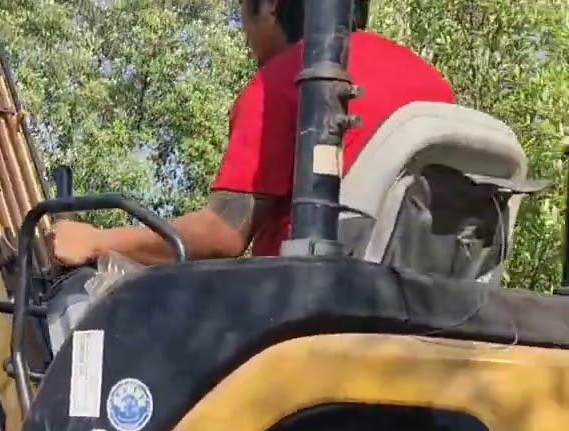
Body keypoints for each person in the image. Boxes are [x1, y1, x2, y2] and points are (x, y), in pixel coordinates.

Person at [47, 0, 456, 266]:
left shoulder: (289, 80)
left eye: (241, 9)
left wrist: (97, 241)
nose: (243, 33)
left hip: (307, 308)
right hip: (429, 310)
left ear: (270, 6)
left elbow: (222, 234)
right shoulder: (433, 84)